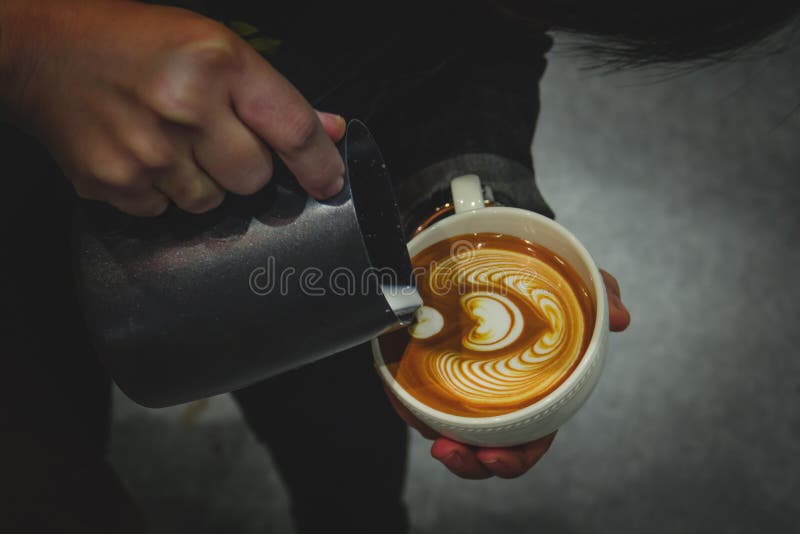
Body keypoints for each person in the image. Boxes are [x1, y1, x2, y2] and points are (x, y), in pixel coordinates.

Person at [0, 1, 795, 533]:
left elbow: (481, 39)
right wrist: (31, 49)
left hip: (326, 247)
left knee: (350, 461)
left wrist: (465, 209)